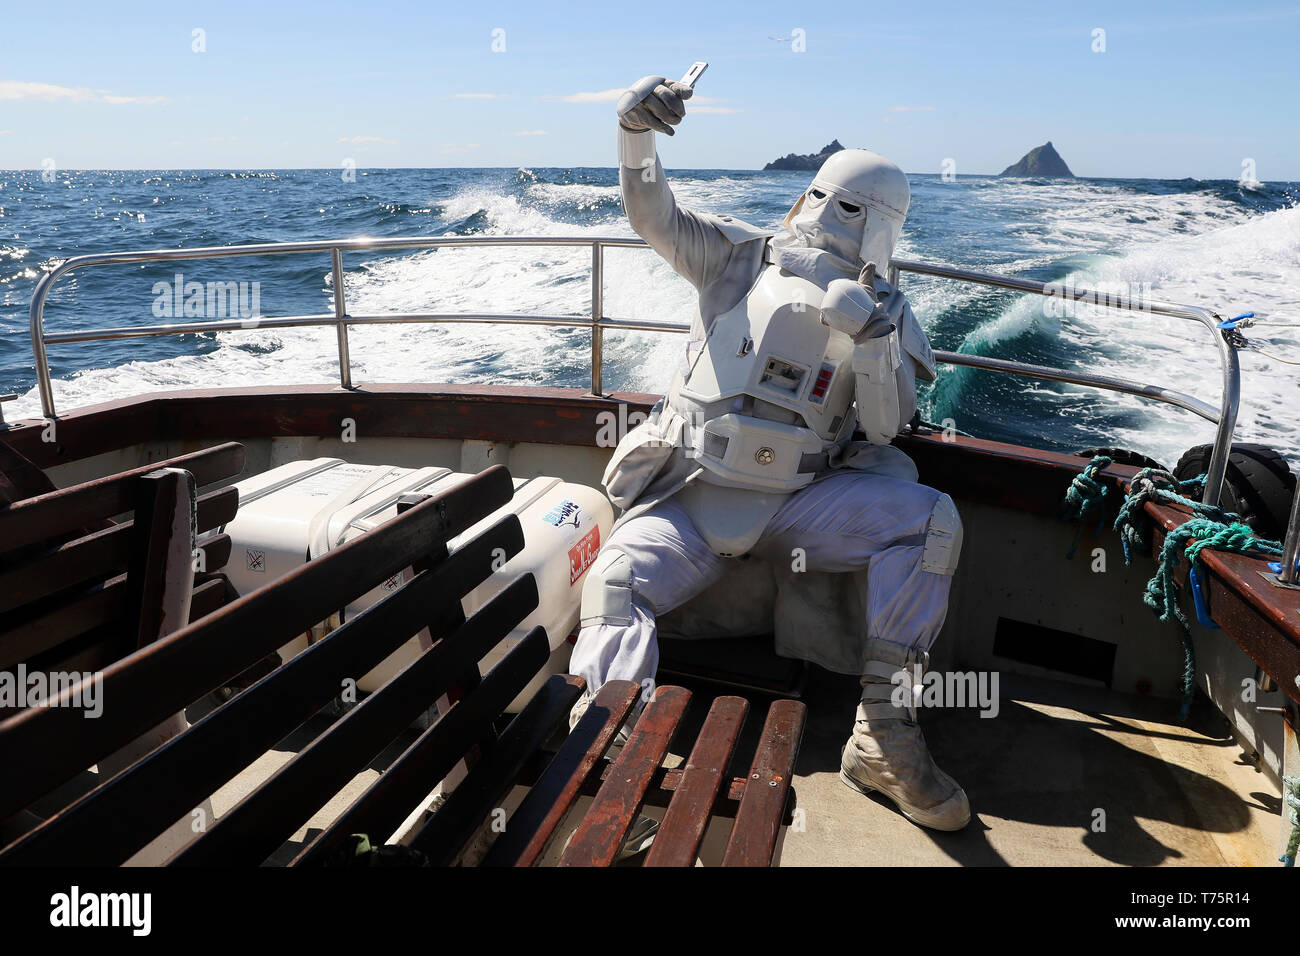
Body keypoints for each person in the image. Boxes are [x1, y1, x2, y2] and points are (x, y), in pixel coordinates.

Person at [569, 73, 970, 831]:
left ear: (880, 230)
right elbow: (651, 213)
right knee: (616, 583)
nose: (828, 220)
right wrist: (636, 135)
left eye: (852, 211)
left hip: (800, 505)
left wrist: (875, 341)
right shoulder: (735, 258)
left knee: (932, 523)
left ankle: (882, 736)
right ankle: (607, 765)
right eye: (824, 199)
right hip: (690, 494)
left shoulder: (892, 315)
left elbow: (884, 428)